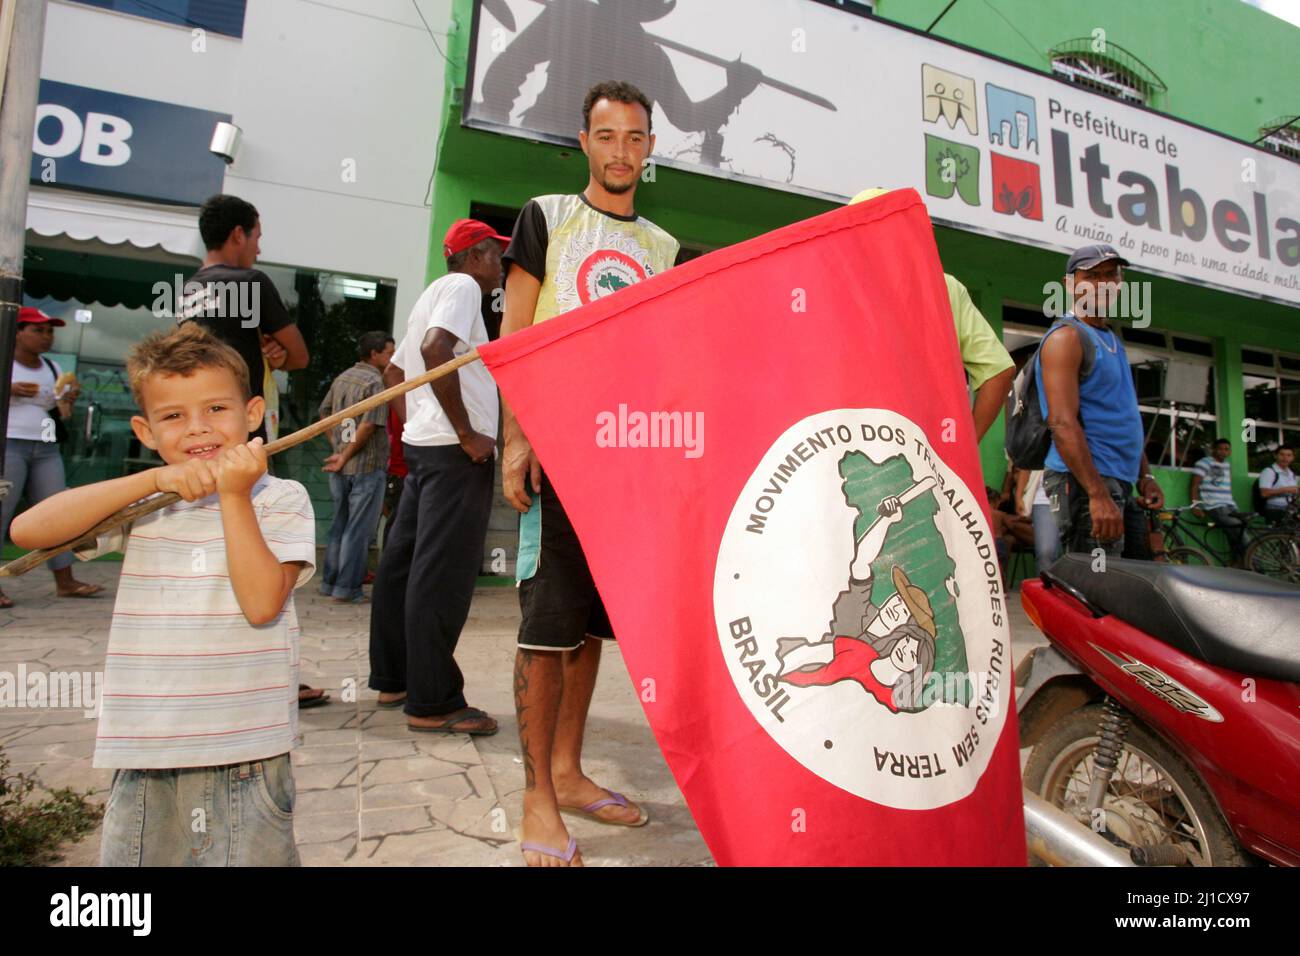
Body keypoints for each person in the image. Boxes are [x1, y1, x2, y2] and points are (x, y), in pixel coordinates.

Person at [10, 324, 315, 865]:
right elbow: (28, 531)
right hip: (146, 751)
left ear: (252, 415)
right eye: (173, 416)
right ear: (145, 431)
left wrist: (233, 496)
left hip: (243, 751)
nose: (198, 429)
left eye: (216, 410)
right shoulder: (145, 506)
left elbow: (263, 602)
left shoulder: (279, 497)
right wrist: (151, 483)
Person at [501, 81, 681, 867]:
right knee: (545, 631)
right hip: (555, 456)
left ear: (649, 148)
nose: (620, 151)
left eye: (634, 137)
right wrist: (516, 439)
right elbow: (512, 339)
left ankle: (569, 772)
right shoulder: (545, 217)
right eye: (605, 136)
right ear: (584, 142)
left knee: (589, 630)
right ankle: (537, 796)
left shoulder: (664, 249)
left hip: (626, 467)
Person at [368, 219, 507, 737]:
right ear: (476, 256)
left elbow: (394, 374)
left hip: (427, 449)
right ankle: (433, 700)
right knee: (441, 573)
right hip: (453, 453)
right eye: (497, 255)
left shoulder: (434, 290)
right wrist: (466, 432)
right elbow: (433, 350)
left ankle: (395, 678)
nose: (501, 267)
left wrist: (418, 429)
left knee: (403, 565)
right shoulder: (464, 287)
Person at [848, 189, 1015, 441]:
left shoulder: (835, 287)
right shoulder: (944, 286)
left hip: (844, 442)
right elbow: (998, 371)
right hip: (926, 448)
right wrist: (966, 445)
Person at [1038, 244, 1163, 557]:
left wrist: (1145, 475)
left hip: (1120, 480)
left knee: (1130, 590)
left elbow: (1126, 417)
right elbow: (1061, 422)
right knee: (1094, 593)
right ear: (1070, 283)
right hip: (1086, 482)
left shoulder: (1111, 340)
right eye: (1092, 276)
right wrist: (1096, 494)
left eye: (1111, 275)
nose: (1103, 283)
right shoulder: (1066, 338)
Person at [775, 494, 937, 713]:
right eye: (898, 600)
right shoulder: (860, 609)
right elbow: (861, 564)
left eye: (904, 612)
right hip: (798, 686)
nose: (895, 609)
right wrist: (885, 521)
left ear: (906, 628)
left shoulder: (890, 662)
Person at [177, 194, 309, 443]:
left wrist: (270, 353)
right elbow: (300, 357)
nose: (258, 250)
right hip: (242, 427)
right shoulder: (250, 282)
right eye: (256, 238)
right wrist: (279, 356)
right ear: (238, 234)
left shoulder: (187, 291)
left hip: (199, 425)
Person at [0, 306, 103, 608]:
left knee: (59, 514)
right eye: (38, 330)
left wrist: (67, 400)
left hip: (45, 446)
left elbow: (63, 413)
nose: (46, 337)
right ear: (18, 332)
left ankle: (65, 580)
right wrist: (10, 389)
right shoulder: (6, 362)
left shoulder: (53, 368)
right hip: (9, 444)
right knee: (2, 513)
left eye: (50, 331)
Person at [317, 331, 394, 603]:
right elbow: (369, 424)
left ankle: (329, 583)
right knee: (358, 530)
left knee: (339, 525)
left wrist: (337, 449)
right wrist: (346, 452)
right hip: (365, 465)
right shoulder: (376, 382)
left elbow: (324, 413)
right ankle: (347, 589)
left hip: (341, 466)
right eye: (388, 353)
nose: (391, 358)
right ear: (374, 354)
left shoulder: (342, 378)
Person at [1190, 438, 1247, 558]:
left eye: (1226, 449)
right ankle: (1257, 567)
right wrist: (1195, 505)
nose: (1223, 452)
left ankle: (1238, 563)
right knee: (1241, 533)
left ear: (1230, 452)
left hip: (1230, 505)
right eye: (1220, 449)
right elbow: (1195, 485)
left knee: (1235, 535)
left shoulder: (1226, 465)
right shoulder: (1204, 463)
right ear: (1213, 450)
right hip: (1214, 505)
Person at [1259, 445, 1297, 524]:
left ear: (1293, 458)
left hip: (1290, 509)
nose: (1285, 458)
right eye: (1282, 454)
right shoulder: (1269, 471)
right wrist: (1286, 489)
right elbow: (1264, 493)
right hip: (1275, 509)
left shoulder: (1291, 473)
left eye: (1289, 455)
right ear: (1275, 456)